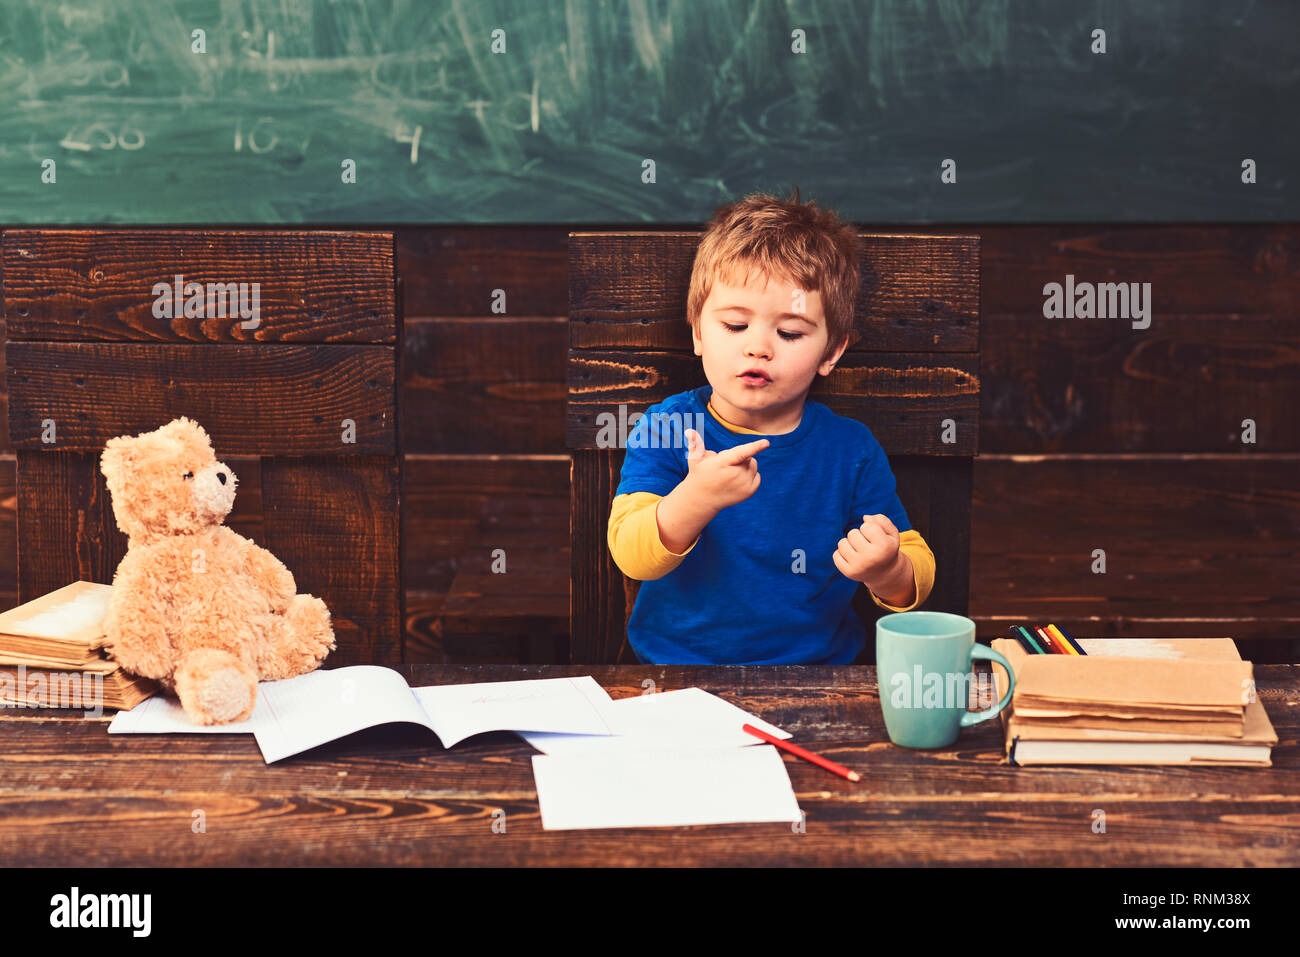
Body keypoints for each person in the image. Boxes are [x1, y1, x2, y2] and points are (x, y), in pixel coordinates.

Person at [607, 188, 936, 664]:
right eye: (735, 326)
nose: (758, 347)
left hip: (820, 676)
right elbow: (632, 556)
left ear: (831, 352)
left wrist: (886, 569)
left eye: (789, 333)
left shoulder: (851, 451)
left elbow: (915, 570)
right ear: (699, 332)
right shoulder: (668, 426)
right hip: (678, 672)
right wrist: (697, 498)